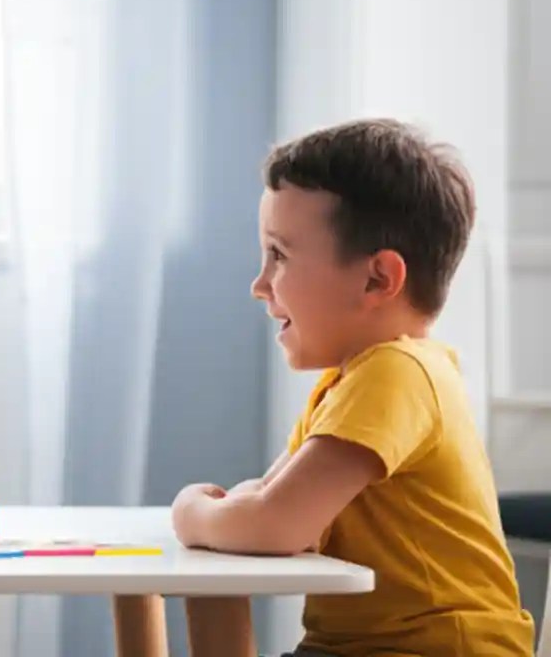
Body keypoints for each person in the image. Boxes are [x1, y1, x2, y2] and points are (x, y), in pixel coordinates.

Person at [171, 119, 535, 656]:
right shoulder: (353, 382)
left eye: (279, 255)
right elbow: (277, 501)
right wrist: (247, 510)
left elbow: (277, 524)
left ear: (377, 280)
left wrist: (192, 512)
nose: (259, 284)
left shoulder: (397, 373)